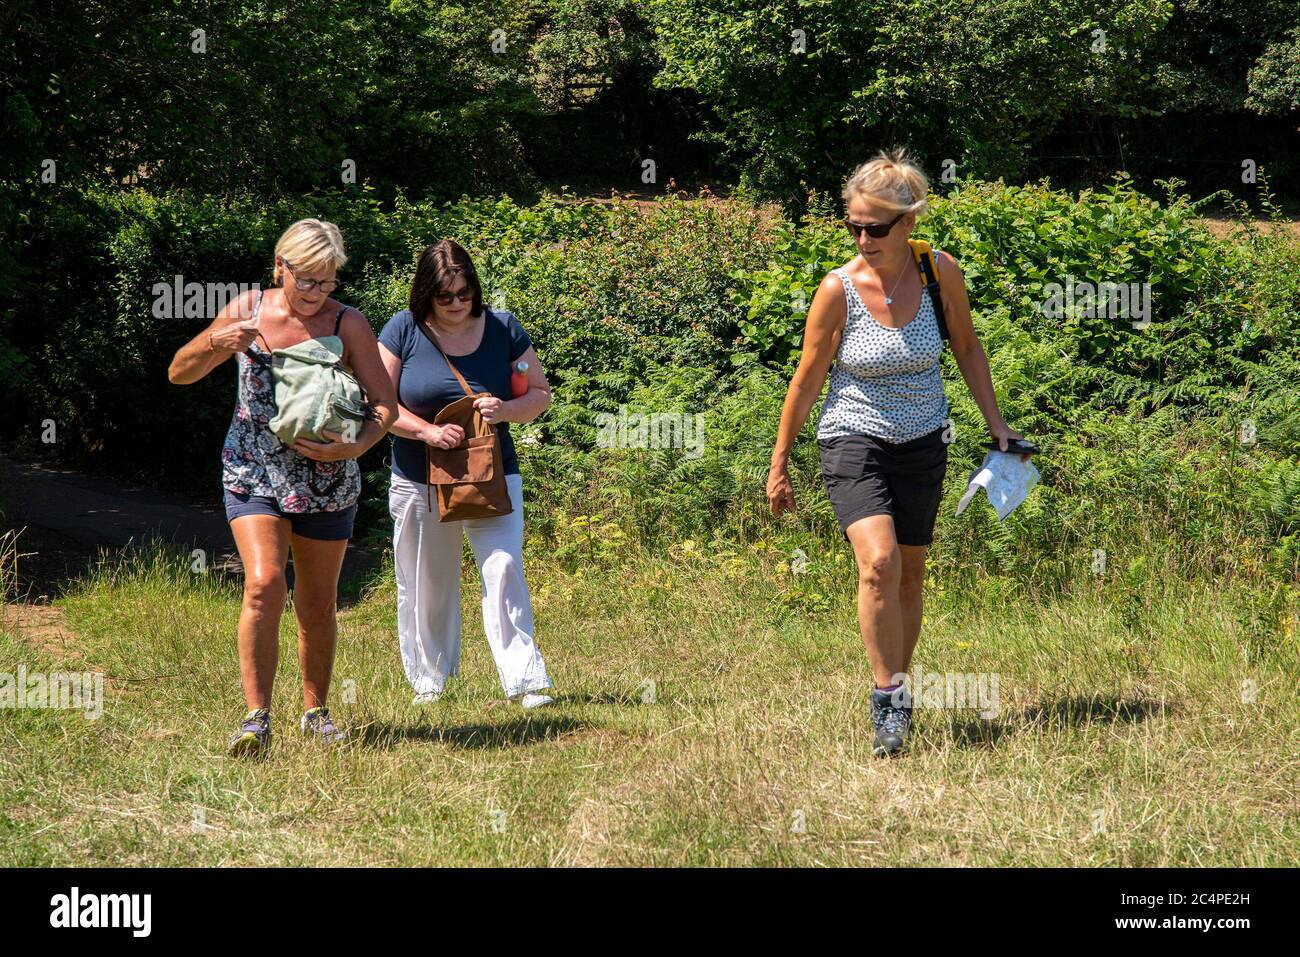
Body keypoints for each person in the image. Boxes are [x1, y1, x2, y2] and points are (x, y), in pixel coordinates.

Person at [765, 148, 1031, 757]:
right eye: (852, 224)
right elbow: (807, 379)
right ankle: (886, 700)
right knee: (879, 561)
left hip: (924, 441)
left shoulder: (940, 272)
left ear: (908, 222)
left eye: (875, 227)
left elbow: (966, 349)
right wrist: (780, 460)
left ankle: (900, 692)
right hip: (853, 437)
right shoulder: (837, 289)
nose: (861, 238)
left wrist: (997, 427)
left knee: (910, 575)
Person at [168, 218, 397, 754]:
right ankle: (256, 719)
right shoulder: (246, 309)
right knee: (265, 583)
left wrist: (355, 447)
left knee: (317, 604)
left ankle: (315, 713)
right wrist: (216, 341)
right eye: (308, 280)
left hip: (326, 477)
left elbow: (385, 407)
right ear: (280, 266)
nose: (318, 293)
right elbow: (179, 373)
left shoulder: (348, 324)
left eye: (328, 281)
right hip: (253, 469)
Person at [377, 240, 555, 708]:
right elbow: (378, 404)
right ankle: (430, 680)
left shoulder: (504, 328)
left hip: (492, 475)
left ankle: (526, 679)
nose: (457, 304)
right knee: (427, 579)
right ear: (425, 294)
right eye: (445, 296)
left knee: (504, 567)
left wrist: (507, 409)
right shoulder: (403, 329)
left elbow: (539, 394)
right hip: (419, 478)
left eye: (465, 293)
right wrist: (425, 433)